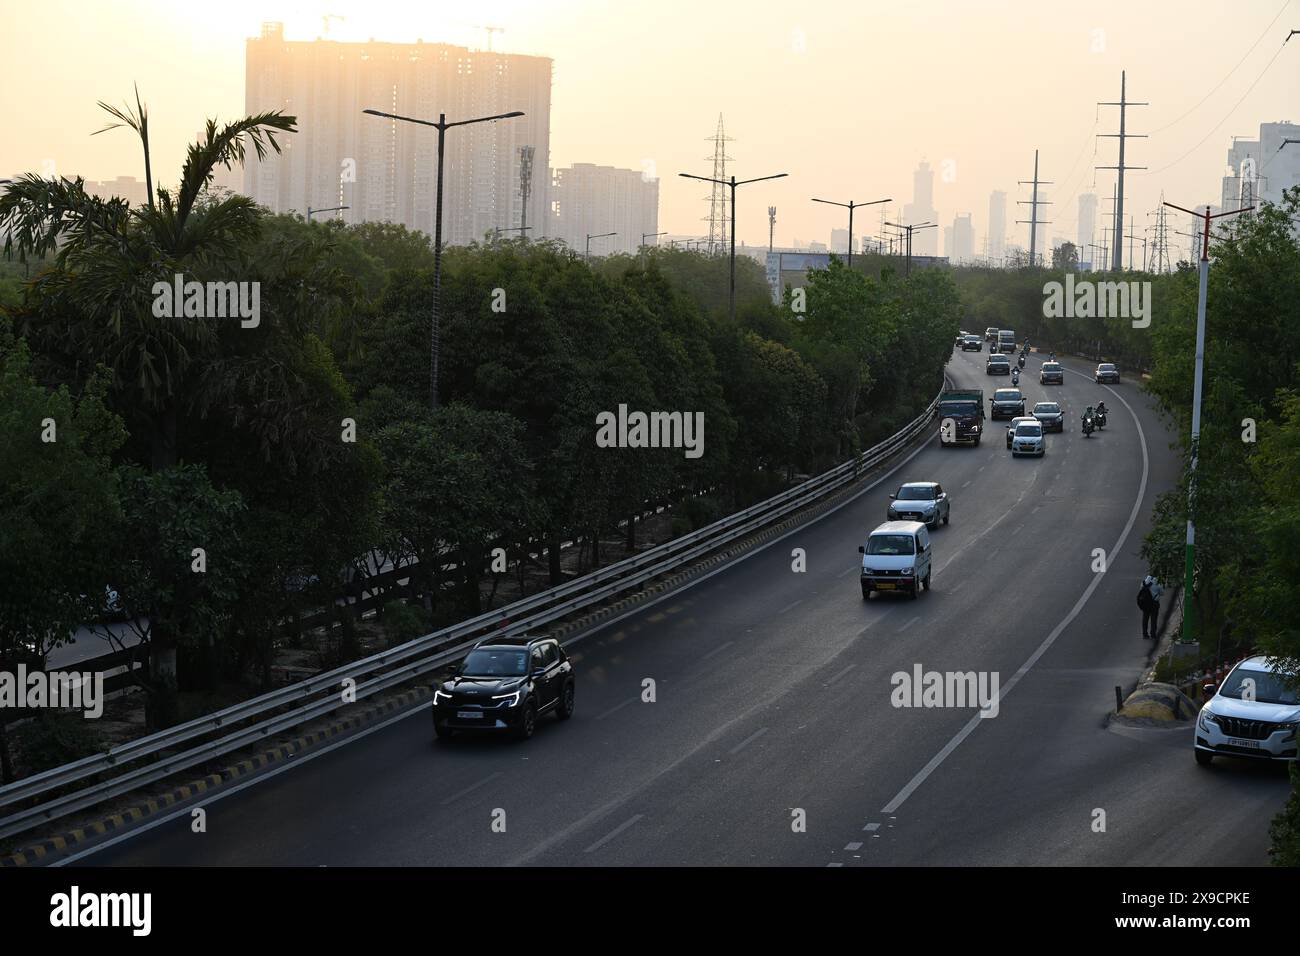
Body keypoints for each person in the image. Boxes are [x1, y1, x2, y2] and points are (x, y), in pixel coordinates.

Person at [1138, 574, 1163, 640]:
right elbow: (1162, 593)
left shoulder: (1143, 583)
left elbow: (1140, 590)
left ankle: (1145, 634)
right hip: (1154, 603)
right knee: (1154, 619)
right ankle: (1153, 634)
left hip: (1146, 603)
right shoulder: (1157, 583)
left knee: (1145, 618)